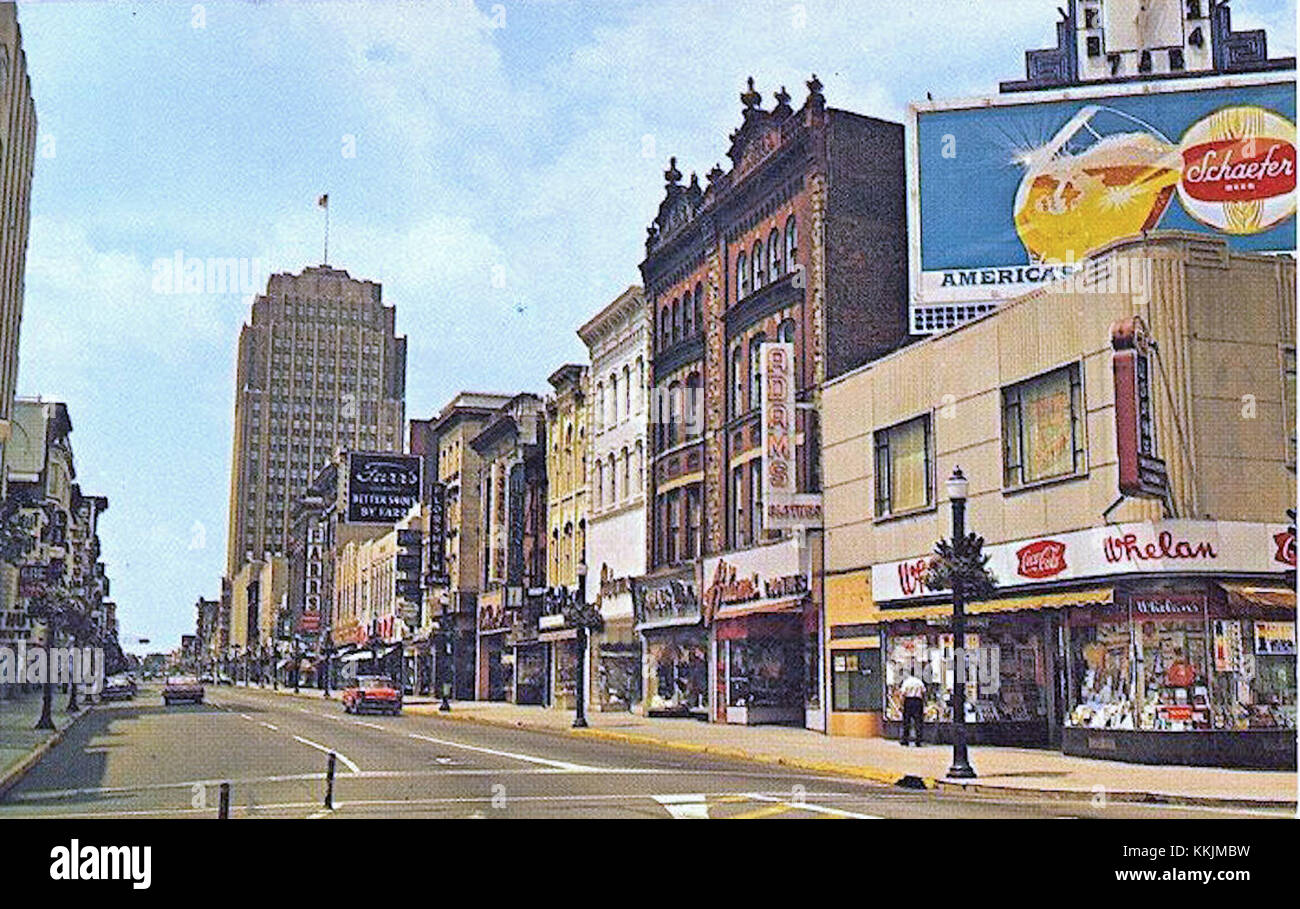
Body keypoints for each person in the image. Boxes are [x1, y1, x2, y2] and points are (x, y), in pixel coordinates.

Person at [900, 671, 926, 746]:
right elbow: (923, 692)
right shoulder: (920, 682)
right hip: (918, 701)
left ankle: (905, 740)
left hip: (908, 701)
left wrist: (901, 704)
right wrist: (923, 703)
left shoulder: (906, 682)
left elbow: (903, 694)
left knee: (906, 721)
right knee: (918, 722)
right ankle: (918, 740)